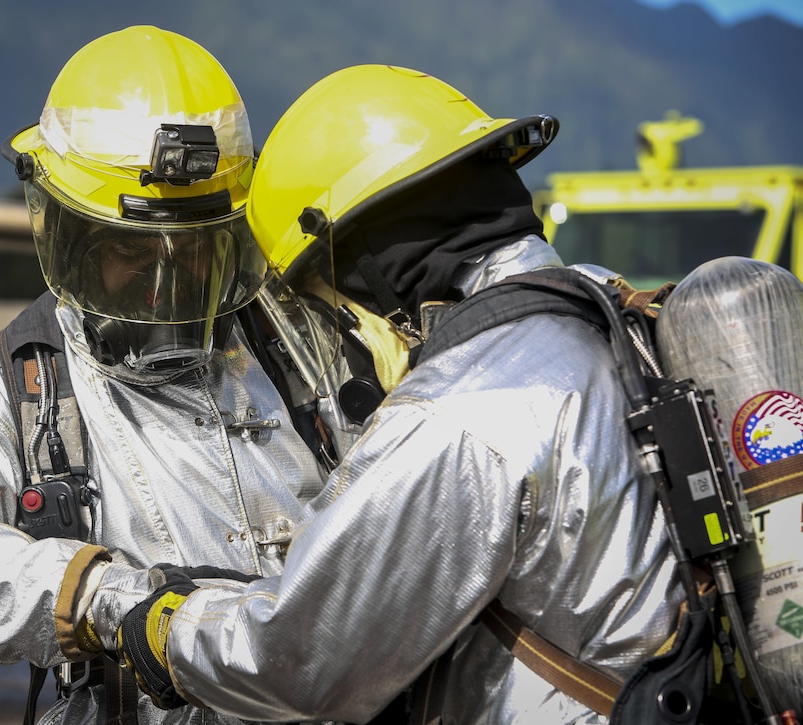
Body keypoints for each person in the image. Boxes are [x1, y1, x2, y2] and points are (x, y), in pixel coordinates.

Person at [114, 65, 690, 724]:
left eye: (323, 307)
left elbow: (301, 659)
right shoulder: (615, 309)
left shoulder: (459, 406)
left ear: (369, 271)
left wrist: (167, 628)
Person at [0, 26, 331, 725]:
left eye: (195, 248)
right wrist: (94, 595)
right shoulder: (12, 391)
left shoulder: (302, 352)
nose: (168, 280)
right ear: (66, 238)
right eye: (131, 248)